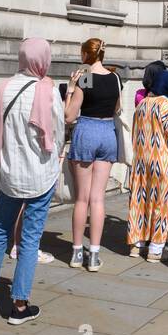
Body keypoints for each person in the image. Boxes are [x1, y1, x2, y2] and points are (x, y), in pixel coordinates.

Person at [0, 38, 65, 325]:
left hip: (9, 175)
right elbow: (59, 132)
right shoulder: (49, 91)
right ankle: (19, 305)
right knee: (29, 240)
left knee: (0, 232)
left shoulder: (3, 88)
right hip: (40, 175)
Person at [63, 37, 120, 272]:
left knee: (82, 199)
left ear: (87, 55)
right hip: (108, 133)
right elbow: (117, 109)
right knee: (98, 199)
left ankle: (77, 252)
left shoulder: (85, 77)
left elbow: (69, 116)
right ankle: (94, 255)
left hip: (86, 131)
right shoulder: (115, 78)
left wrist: (70, 89)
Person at [127, 67, 168, 259]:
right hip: (164, 163)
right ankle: (155, 249)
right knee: (162, 204)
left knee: (140, 203)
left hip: (141, 163)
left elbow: (135, 134)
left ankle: (135, 245)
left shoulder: (142, 105)